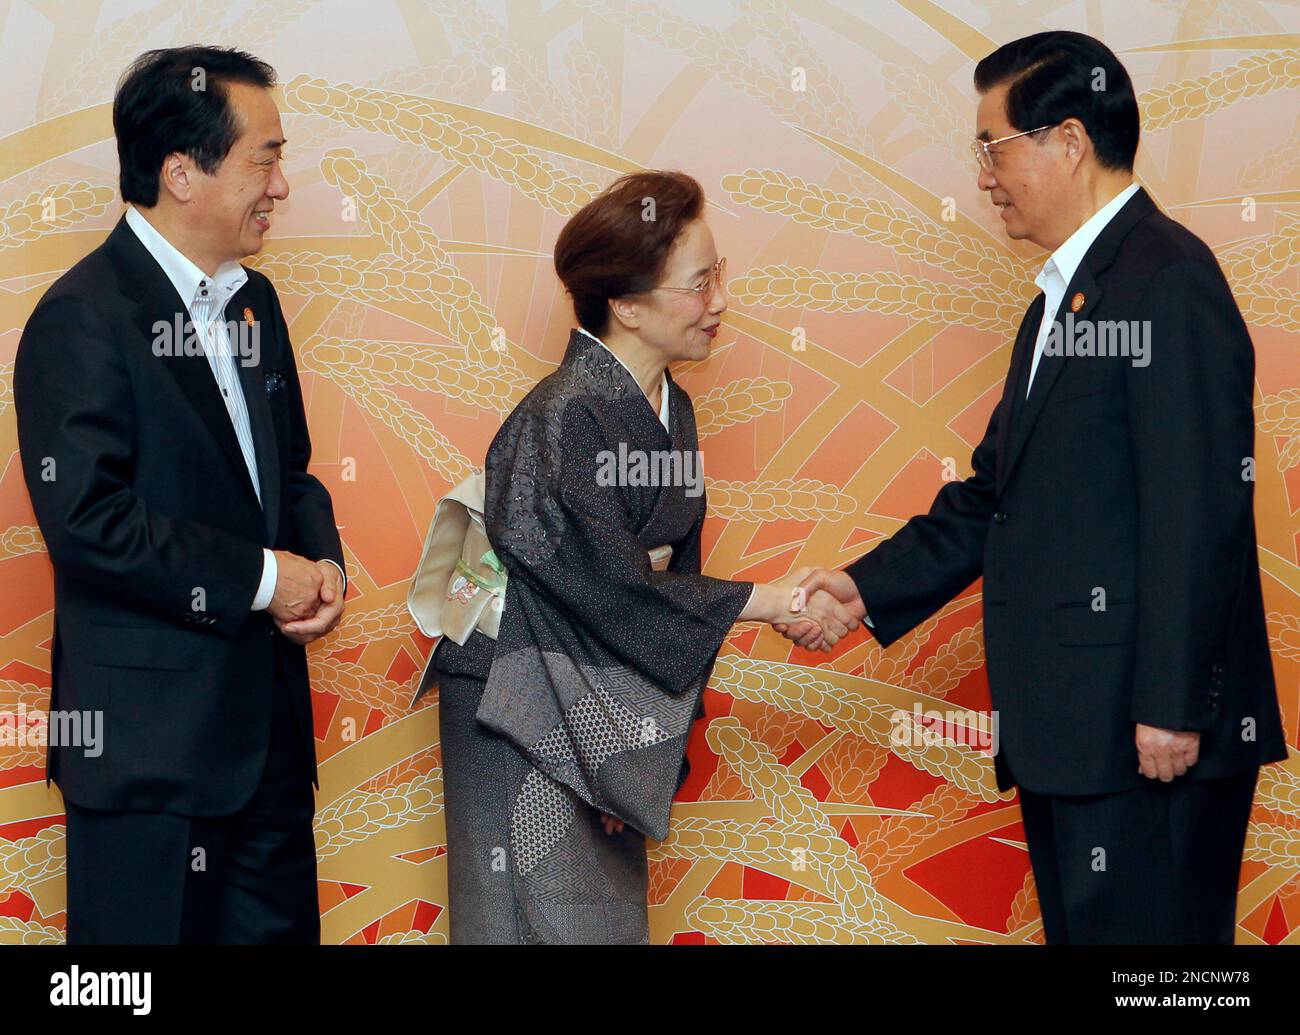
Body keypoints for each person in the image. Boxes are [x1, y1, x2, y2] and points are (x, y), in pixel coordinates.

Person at [789, 31, 1288, 944]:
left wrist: (1172, 706)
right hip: (1075, 731)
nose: (983, 176)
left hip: (1148, 737)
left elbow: (1200, 511)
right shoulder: (1060, 300)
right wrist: (862, 586)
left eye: (992, 146)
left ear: (1067, 141)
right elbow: (996, 494)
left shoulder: (1167, 281)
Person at [426, 170, 855, 943]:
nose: (720, 300)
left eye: (718, 275)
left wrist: (628, 754)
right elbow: (608, 587)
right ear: (625, 304)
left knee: (595, 918)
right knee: (530, 916)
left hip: (593, 696)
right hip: (516, 690)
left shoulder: (671, 407)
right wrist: (774, 600)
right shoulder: (562, 413)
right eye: (699, 283)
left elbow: (667, 580)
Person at [15, 46, 346, 944]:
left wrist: (322, 565)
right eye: (267, 158)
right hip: (150, 764)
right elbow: (89, 523)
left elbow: (293, 472)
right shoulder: (82, 315)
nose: (282, 185)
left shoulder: (256, 306)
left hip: (270, 749)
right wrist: (261, 579)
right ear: (182, 172)